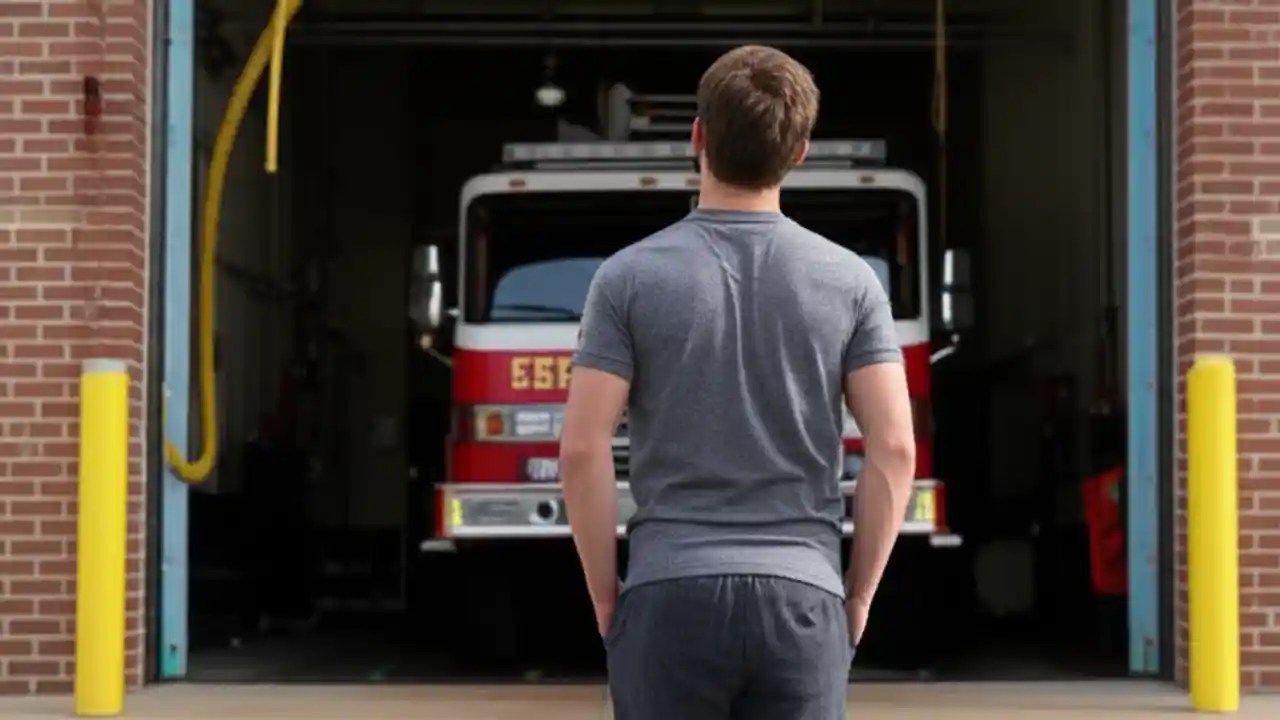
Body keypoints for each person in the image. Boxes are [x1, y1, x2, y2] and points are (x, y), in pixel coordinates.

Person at [559, 45, 918, 720]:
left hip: (669, 597)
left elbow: (583, 450)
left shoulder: (626, 278)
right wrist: (859, 594)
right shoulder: (851, 282)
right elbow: (895, 449)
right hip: (803, 600)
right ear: (799, 152)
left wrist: (608, 596)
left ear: (697, 137)